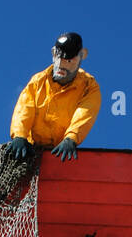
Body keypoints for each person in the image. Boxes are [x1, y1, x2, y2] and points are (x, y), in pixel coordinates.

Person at [7, 32, 101, 162]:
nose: (62, 65)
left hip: (60, 150)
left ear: (81, 56)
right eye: (59, 57)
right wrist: (19, 135)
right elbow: (24, 108)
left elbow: (85, 113)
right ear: (53, 54)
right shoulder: (38, 81)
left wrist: (71, 138)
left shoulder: (88, 87)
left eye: (69, 60)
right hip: (30, 147)